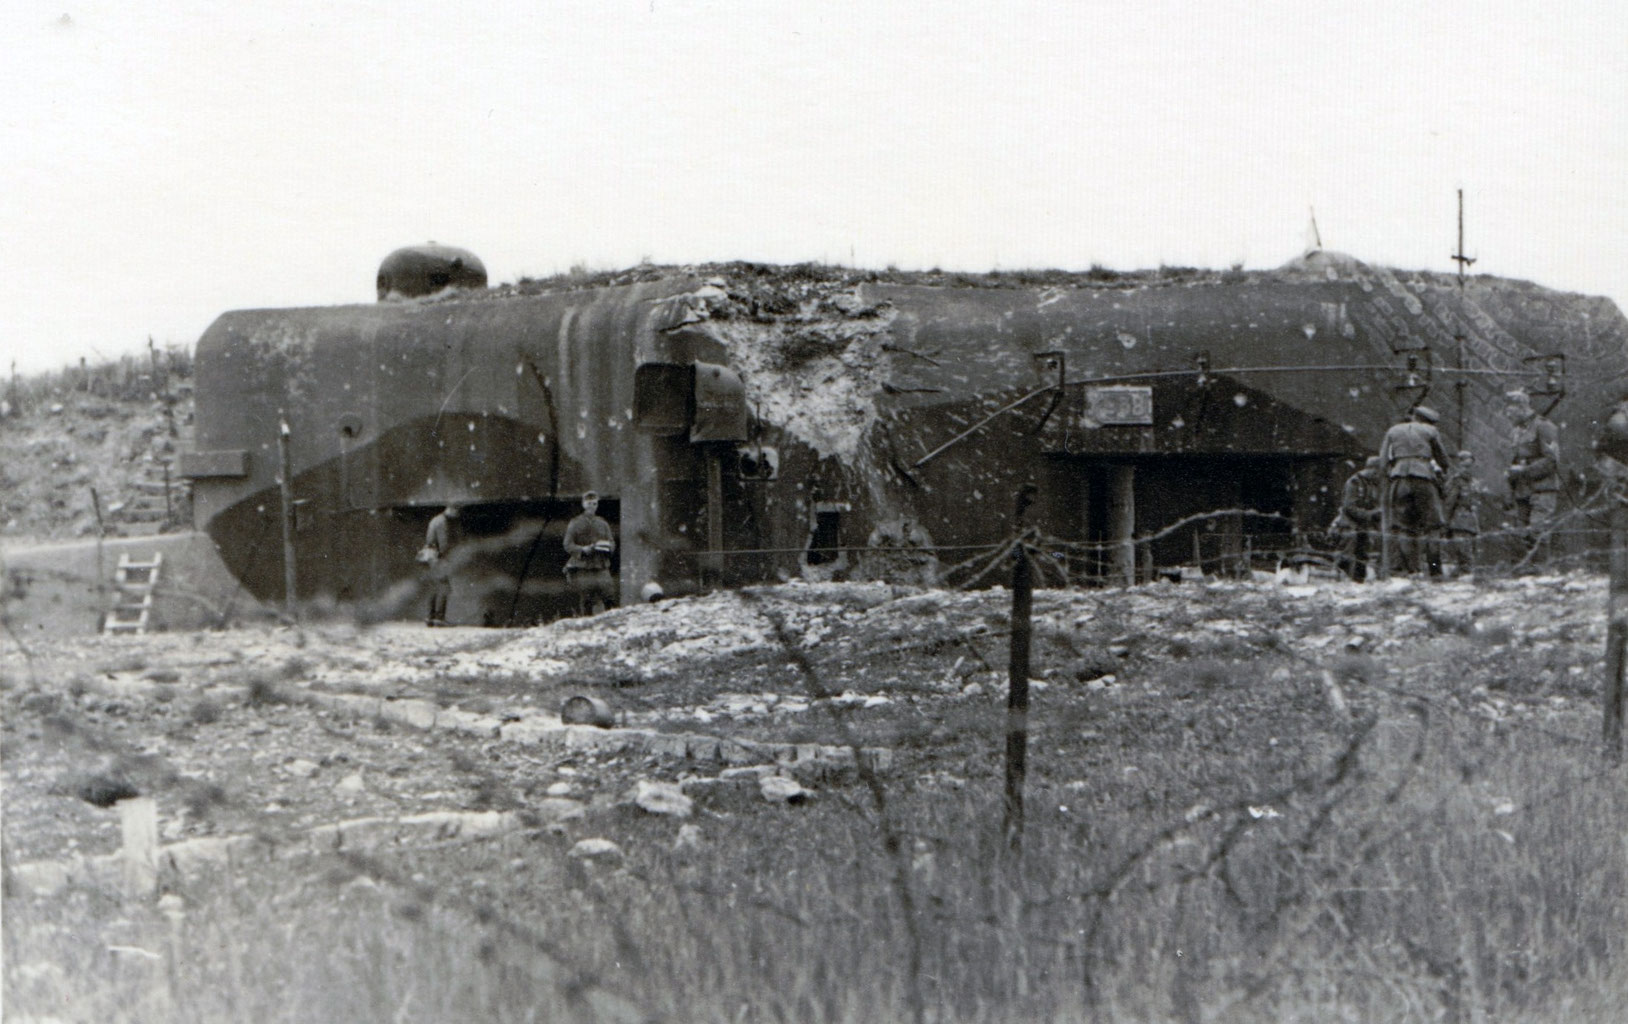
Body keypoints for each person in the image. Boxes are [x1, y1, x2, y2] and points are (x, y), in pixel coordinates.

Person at [1378, 405, 1451, 576]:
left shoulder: (1393, 431)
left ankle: (1410, 569)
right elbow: (1442, 459)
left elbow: (1383, 461)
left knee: (1403, 526)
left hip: (1399, 479)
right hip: (1423, 477)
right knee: (1433, 526)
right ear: (1429, 421)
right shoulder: (1430, 431)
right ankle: (1435, 569)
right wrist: (1444, 471)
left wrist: (1392, 474)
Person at [1505, 389, 1561, 565]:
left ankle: (1540, 572)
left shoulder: (1543, 426)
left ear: (1522, 408)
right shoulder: (1516, 432)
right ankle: (1524, 573)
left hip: (1542, 489)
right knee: (1521, 535)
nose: (1508, 415)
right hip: (1522, 490)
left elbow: (1551, 460)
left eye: (1511, 411)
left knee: (1538, 532)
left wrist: (1525, 470)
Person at [1330, 456, 1383, 581]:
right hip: (1349, 524)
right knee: (1346, 554)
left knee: (1362, 556)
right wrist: (1370, 514)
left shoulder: (1372, 484)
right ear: (1372, 469)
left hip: (1363, 526)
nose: (1378, 476)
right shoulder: (1354, 482)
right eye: (1377, 472)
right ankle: (1341, 579)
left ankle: (1358, 582)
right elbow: (1349, 507)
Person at [564, 491, 616, 615]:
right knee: (587, 600)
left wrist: (608, 547)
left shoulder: (603, 523)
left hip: (601, 566)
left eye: (594, 504)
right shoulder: (575, 523)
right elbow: (567, 544)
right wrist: (582, 549)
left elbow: (612, 542)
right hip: (584, 567)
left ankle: (612, 621)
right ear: (583, 504)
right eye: (589, 503)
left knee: (610, 596)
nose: (592, 506)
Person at [1441, 450, 1484, 576]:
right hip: (1460, 521)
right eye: (1464, 466)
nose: (1467, 470)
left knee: (1468, 553)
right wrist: (1445, 522)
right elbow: (1449, 503)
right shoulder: (1456, 481)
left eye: (1469, 466)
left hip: (1470, 521)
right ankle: (1464, 574)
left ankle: (1466, 574)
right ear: (1458, 465)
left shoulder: (1473, 482)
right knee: (1463, 552)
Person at [422, 504, 459, 625]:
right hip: (438, 558)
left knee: (434, 586)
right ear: (451, 509)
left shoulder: (435, 520)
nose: (456, 515)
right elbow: (443, 544)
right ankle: (439, 618)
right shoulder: (443, 522)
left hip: (430, 557)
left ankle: (430, 616)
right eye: (456, 512)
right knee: (444, 586)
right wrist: (447, 557)